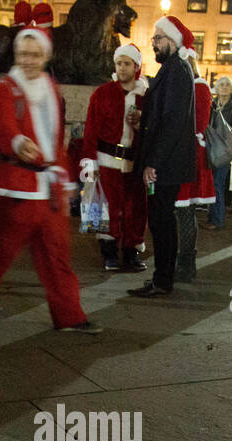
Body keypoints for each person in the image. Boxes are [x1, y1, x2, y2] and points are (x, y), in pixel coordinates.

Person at [0, 20, 98, 333]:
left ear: (45, 56)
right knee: (1, 251)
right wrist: (19, 143)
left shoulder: (50, 88)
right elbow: (3, 127)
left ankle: (70, 316)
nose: (28, 60)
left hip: (48, 189)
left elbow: (56, 140)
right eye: (22, 53)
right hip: (16, 189)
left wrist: (67, 178)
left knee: (57, 256)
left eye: (34, 54)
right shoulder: (6, 88)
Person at [127, 14, 194, 298]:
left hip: (165, 164)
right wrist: (145, 116)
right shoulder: (173, 69)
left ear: (171, 41)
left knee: (161, 220)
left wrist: (153, 163)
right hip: (166, 162)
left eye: (157, 39)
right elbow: (165, 115)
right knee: (161, 220)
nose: (154, 44)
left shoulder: (176, 70)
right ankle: (162, 277)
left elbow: (173, 122)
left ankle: (163, 279)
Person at [81, 42, 148, 271]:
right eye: (119, 63)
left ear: (136, 66)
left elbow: (153, 132)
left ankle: (131, 252)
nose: (122, 68)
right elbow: (90, 130)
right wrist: (89, 163)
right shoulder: (103, 94)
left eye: (127, 64)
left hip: (134, 163)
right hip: (106, 160)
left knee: (134, 209)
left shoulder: (145, 97)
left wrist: (141, 124)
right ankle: (108, 253)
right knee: (104, 207)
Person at [172, 44, 211, 282]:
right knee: (181, 211)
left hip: (189, 156)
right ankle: (183, 262)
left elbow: (198, 124)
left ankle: (186, 263)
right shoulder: (188, 86)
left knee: (185, 211)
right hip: (182, 155)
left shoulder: (199, 86)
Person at [204, 75, 232, 230]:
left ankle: (218, 219)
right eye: (222, 85)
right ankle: (212, 216)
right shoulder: (212, 104)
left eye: (227, 85)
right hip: (212, 148)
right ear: (217, 88)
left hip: (224, 151)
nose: (224, 87)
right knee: (212, 184)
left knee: (218, 184)